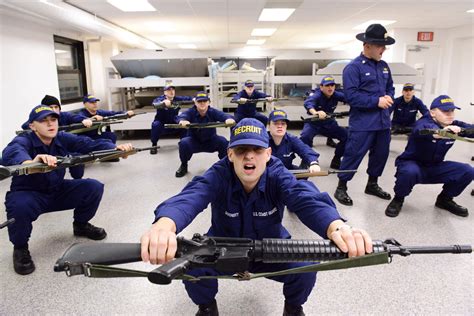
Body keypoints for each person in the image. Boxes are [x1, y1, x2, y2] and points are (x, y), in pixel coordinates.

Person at [141, 118, 373, 316]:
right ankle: (206, 307)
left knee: (306, 265)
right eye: (241, 150)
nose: (249, 157)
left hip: (271, 247)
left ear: (268, 153)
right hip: (222, 247)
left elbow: (304, 198)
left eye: (257, 150)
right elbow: (192, 195)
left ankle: (293, 308)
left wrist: (336, 226)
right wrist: (164, 225)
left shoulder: (278, 173)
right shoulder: (219, 173)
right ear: (230, 154)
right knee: (191, 266)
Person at [2, 105, 134, 275]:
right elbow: (10, 154)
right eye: (43, 121)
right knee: (19, 207)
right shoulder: (23, 140)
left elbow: (90, 144)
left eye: (53, 119)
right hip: (29, 194)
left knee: (92, 187)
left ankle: (80, 225)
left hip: (57, 190)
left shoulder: (62, 138)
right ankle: (20, 248)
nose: (50, 124)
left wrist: (116, 149)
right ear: (32, 126)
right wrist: (31, 163)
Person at [334, 24, 395, 206]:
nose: (383, 50)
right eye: (380, 46)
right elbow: (351, 96)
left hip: (383, 123)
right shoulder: (353, 68)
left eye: (384, 46)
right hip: (363, 123)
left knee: (380, 155)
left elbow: (390, 87)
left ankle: (372, 184)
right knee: (353, 154)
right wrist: (376, 101)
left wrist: (388, 97)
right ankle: (341, 187)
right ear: (367, 45)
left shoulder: (384, 66)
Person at [385, 95, 473, 217]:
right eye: (445, 111)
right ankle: (398, 199)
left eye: (452, 111)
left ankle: (444, 200)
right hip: (413, 165)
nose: (450, 114)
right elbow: (426, 130)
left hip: (435, 167)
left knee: (467, 170)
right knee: (408, 172)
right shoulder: (423, 123)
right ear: (432, 113)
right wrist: (442, 133)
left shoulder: (454, 124)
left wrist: (464, 131)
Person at [21, 95, 93, 179]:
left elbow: (75, 117)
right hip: (47, 151)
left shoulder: (64, 116)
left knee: (77, 157)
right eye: (43, 120)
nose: (54, 110)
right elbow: (25, 126)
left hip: (64, 145)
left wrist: (85, 120)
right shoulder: (29, 131)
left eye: (56, 107)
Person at [175, 92, 235, 178]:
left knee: (223, 142)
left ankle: (226, 165)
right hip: (194, 141)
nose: (202, 103)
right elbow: (182, 116)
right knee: (184, 143)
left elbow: (224, 115)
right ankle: (184, 165)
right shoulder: (191, 111)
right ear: (195, 103)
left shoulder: (212, 111)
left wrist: (229, 119)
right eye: (199, 101)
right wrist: (182, 121)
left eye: (204, 101)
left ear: (208, 102)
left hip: (211, 141)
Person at [300, 76, 348, 169]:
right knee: (305, 137)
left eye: (332, 85)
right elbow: (308, 103)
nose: (330, 88)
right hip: (314, 123)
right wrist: (316, 112)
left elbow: (350, 99)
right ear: (321, 87)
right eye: (327, 86)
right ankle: (306, 160)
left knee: (346, 136)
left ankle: (336, 159)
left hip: (328, 123)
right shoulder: (317, 95)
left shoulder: (336, 95)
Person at [150, 85, 193, 155]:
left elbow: (188, 98)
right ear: (165, 92)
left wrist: (194, 99)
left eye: (173, 90)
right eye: (169, 90)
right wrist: (163, 103)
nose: (171, 92)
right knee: (155, 125)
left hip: (173, 122)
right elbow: (154, 103)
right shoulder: (160, 99)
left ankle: (183, 143)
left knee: (185, 124)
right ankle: (154, 145)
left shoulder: (177, 99)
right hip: (162, 124)